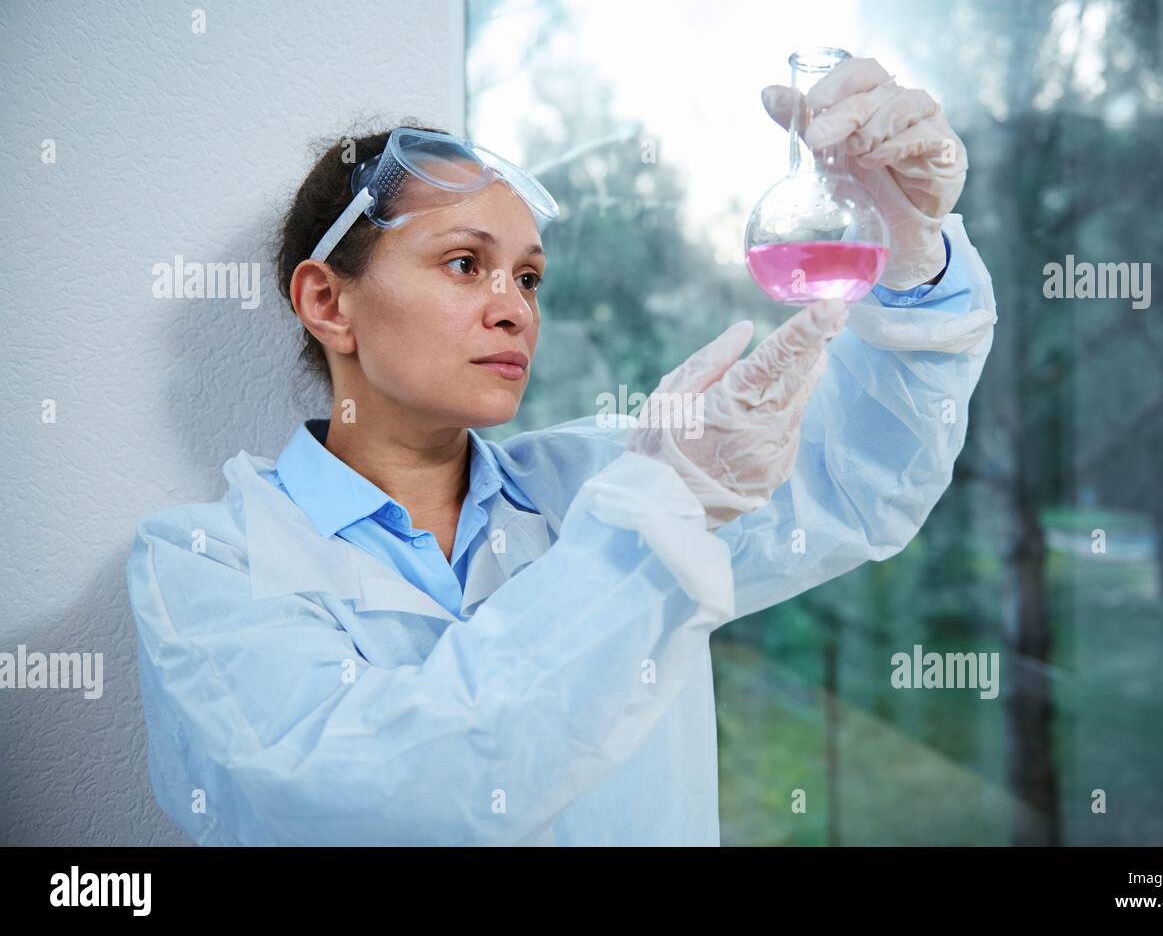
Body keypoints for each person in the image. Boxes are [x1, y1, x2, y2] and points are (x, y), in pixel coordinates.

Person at [125, 56, 997, 845]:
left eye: (529, 277)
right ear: (328, 302)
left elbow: (857, 483)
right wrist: (655, 521)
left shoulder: (611, 480)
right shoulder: (206, 567)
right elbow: (366, 805)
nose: (514, 309)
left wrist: (912, 265)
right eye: (466, 264)